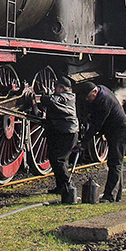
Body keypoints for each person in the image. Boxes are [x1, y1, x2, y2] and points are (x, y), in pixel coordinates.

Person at [24, 76, 80, 204]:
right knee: (55, 159)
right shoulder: (64, 97)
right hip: (59, 131)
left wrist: (43, 96)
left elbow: (51, 101)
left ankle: (68, 187)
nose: (54, 89)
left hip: (67, 133)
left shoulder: (68, 97)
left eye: (56, 87)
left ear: (62, 88)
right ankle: (61, 186)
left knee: (59, 160)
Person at [77, 81, 126, 202]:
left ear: (95, 92)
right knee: (115, 163)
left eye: (88, 96)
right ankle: (116, 194)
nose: (87, 99)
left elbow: (97, 125)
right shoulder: (101, 91)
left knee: (115, 163)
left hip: (119, 131)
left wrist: (84, 141)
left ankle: (110, 196)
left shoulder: (104, 100)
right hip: (113, 130)